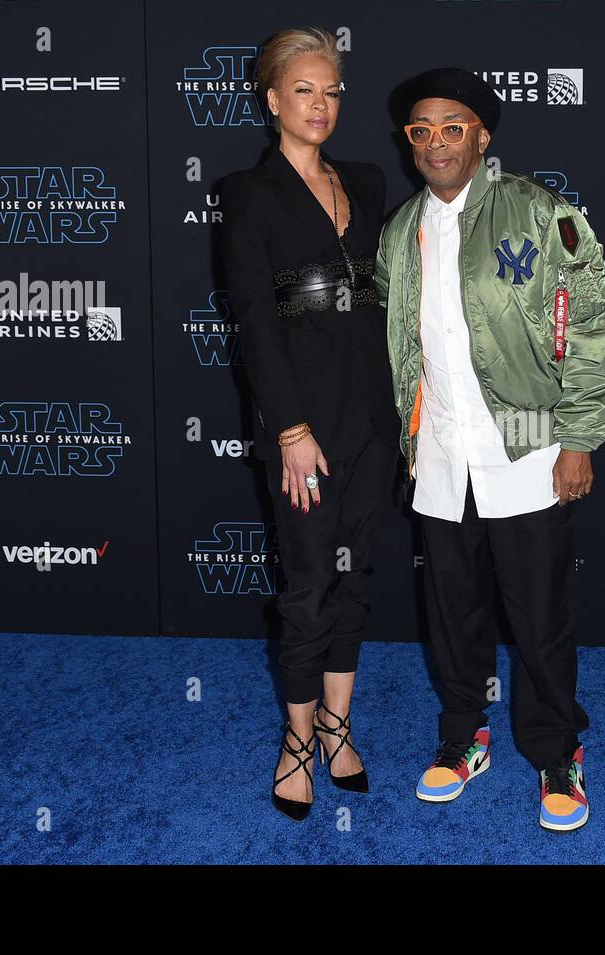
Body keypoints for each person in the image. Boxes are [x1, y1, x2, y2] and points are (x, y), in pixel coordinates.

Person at [374, 68, 605, 831]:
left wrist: (578, 438)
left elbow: (590, 328)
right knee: (452, 612)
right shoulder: (398, 231)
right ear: (409, 144)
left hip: (525, 451)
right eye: (422, 130)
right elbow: (400, 346)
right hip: (442, 456)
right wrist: (409, 438)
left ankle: (556, 751)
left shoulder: (541, 212)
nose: (437, 142)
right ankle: (463, 736)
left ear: (481, 136)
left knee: (539, 613)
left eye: (453, 127)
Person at [220, 27, 399, 821]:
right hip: (305, 426)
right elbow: (255, 321)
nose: (320, 104)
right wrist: (289, 430)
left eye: (331, 91)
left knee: (356, 575)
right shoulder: (247, 195)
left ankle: (337, 726)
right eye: (304, 90)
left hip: (372, 414)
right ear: (271, 100)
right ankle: (295, 742)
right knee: (307, 584)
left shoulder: (365, 180)